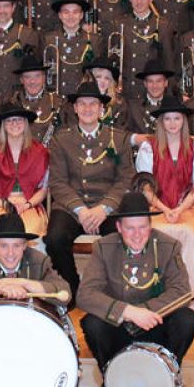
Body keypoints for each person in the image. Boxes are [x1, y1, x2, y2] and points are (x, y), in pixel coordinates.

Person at [77, 192, 194, 387]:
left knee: (187, 319)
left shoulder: (168, 246)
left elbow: (182, 290)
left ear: (150, 225)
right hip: (119, 326)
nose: (137, 235)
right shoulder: (103, 247)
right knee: (92, 323)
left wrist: (145, 312)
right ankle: (110, 380)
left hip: (155, 324)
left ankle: (168, 377)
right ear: (118, 227)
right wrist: (128, 312)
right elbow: (85, 294)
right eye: (130, 228)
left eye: (143, 227)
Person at [46, 81, 134, 297]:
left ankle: (110, 290)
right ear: (74, 108)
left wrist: (103, 209)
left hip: (107, 207)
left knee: (123, 237)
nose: (87, 108)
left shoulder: (119, 138)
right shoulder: (61, 140)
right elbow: (57, 182)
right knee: (55, 238)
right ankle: (72, 287)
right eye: (82, 104)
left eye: (92, 104)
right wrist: (82, 211)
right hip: (72, 208)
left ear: (101, 108)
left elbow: (126, 179)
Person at [133, 96, 194, 307]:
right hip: (156, 207)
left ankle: (190, 293)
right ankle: (157, 291)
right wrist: (166, 209)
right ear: (161, 122)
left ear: (184, 121)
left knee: (189, 233)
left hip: (187, 207)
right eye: (168, 119)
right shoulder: (149, 148)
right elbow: (146, 189)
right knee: (155, 234)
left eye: (177, 118)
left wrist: (179, 209)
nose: (173, 123)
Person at [0, 100, 49, 247]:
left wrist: (27, 204)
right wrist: (5, 204)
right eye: (9, 120)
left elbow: (43, 190)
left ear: (26, 123)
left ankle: (31, 269)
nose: (14, 123)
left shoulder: (41, 152)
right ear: (3, 125)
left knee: (30, 232)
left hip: (30, 204)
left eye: (18, 119)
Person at [111, 0, 172, 98]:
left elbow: (169, 61)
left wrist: (169, 93)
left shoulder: (162, 25)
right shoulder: (119, 24)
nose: (139, 1)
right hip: (127, 90)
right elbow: (114, 61)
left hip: (153, 91)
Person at [8, 51, 65, 144]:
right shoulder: (12, 102)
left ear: (44, 78)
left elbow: (63, 136)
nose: (32, 81)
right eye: (27, 77)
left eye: (37, 76)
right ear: (21, 80)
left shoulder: (58, 102)